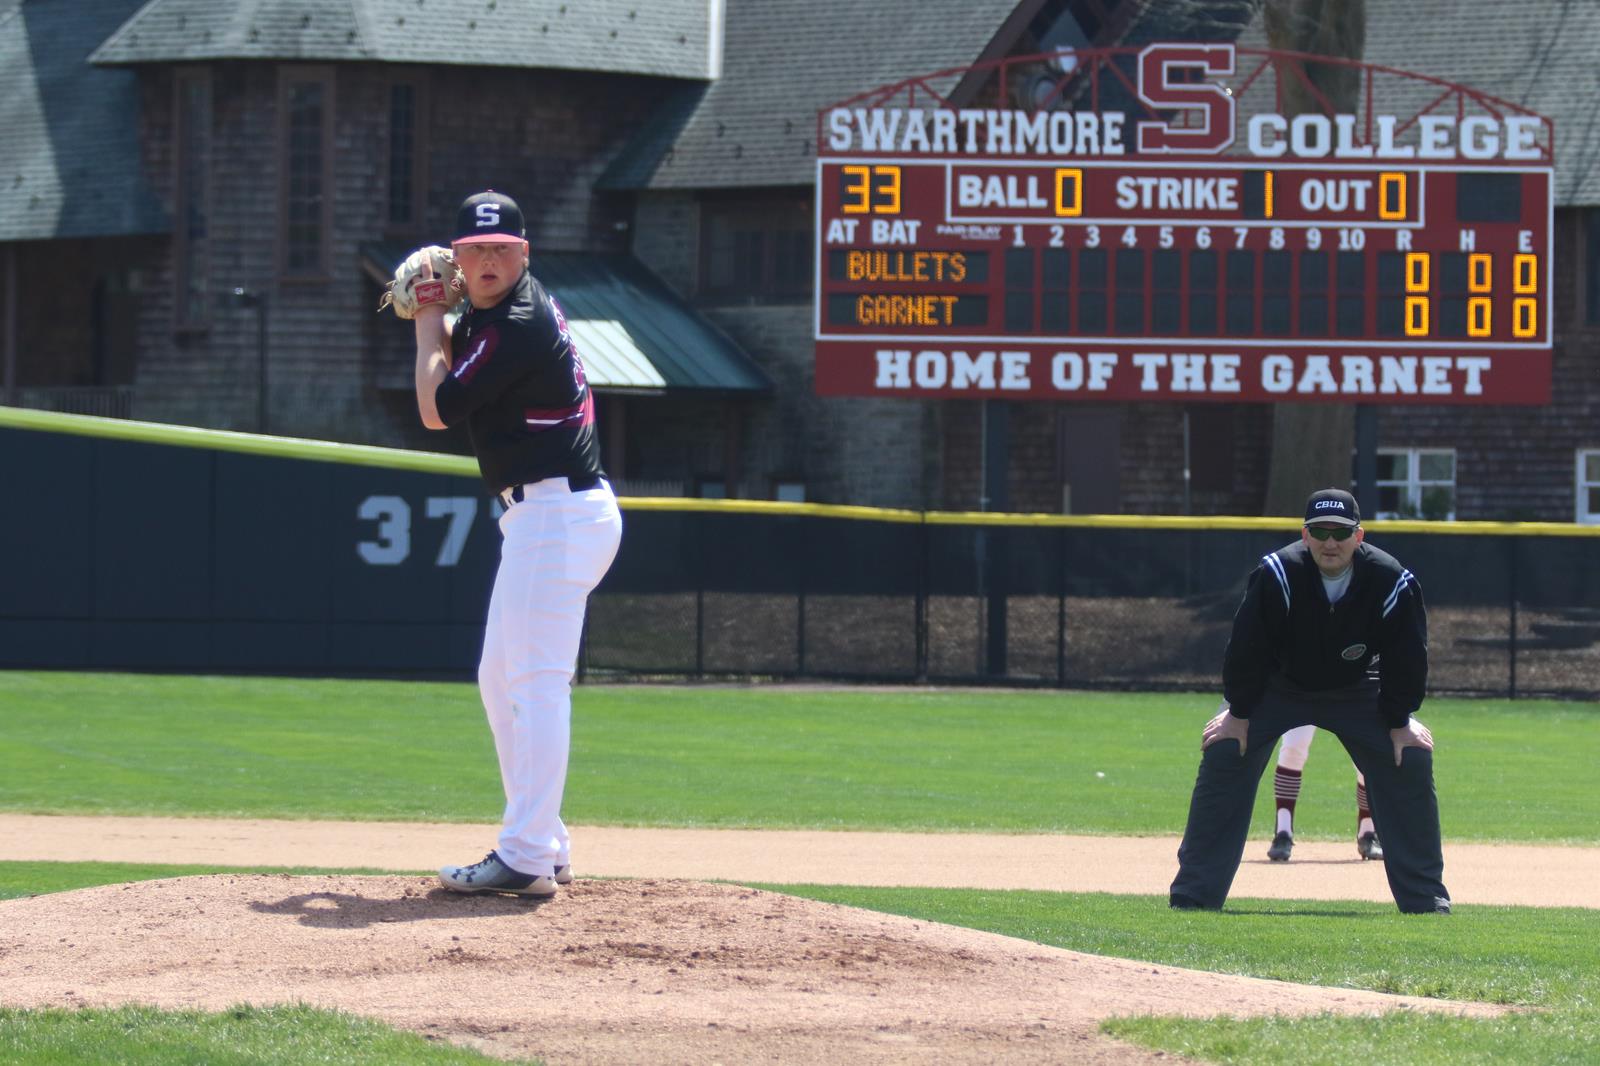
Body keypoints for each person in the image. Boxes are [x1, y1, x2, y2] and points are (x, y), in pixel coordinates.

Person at [409, 190, 623, 897]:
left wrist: (429, 320)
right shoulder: (495, 314)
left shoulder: (516, 323)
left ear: (524, 254)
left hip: (557, 515)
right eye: (475, 250)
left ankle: (528, 852)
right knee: (501, 682)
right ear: (459, 255)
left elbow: (436, 410)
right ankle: (544, 841)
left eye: (503, 249)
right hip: (543, 517)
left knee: (535, 685)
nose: (489, 260)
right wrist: (448, 316)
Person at [1170, 488, 1450, 914]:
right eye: (1320, 531)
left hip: (1357, 688)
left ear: (1360, 537)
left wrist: (1399, 720)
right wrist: (1239, 713)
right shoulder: (1277, 572)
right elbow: (1247, 646)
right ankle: (1194, 895)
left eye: (1340, 532)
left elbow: (1408, 654)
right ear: (1305, 535)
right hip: (1280, 686)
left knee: (1408, 756)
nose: (1330, 542)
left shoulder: (1392, 579)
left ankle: (1425, 900)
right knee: (1227, 747)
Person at [1265, 724, 1383, 862]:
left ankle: (1367, 832)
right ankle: (1283, 832)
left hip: (1349, 702)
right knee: (1293, 747)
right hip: (1304, 702)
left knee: (1365, 756)